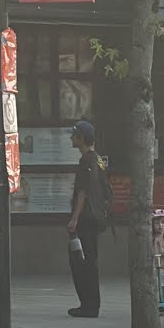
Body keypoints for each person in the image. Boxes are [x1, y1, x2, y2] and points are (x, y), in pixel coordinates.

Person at [66, 120, 103, 317]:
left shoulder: (85, 161)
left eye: (74, 135)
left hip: (85, 219)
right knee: (91, 260)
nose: (71, 138)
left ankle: (88, 305)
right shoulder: (97, 159)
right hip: (96, 218)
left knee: (82, 261)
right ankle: (92, 304)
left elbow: (83, 192)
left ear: (81, 138)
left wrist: (74, 218)